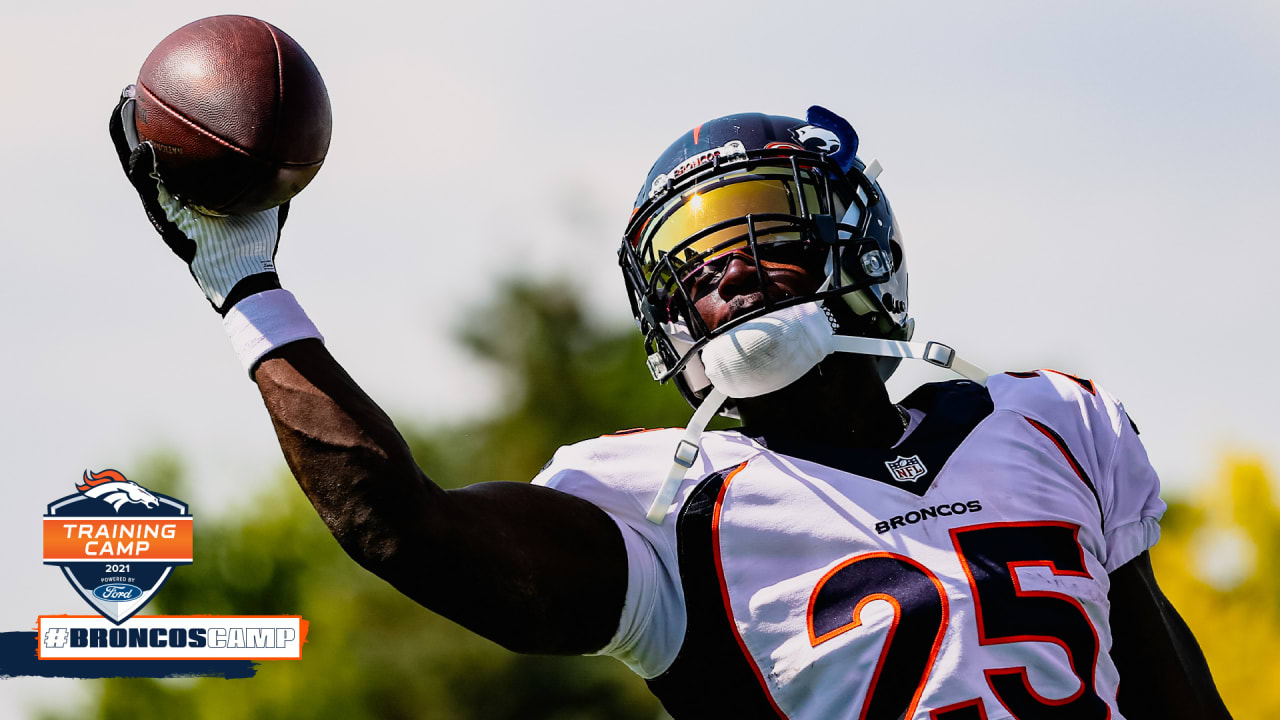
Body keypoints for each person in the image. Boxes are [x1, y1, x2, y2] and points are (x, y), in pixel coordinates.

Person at [110, 90, 1229, 719]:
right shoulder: (665, 505)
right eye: (688, 267)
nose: (724, 273)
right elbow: (404, 524)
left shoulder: (1048, 423)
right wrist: (247, 288)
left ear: (858, 247)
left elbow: (1171, 689)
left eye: (759, 229)